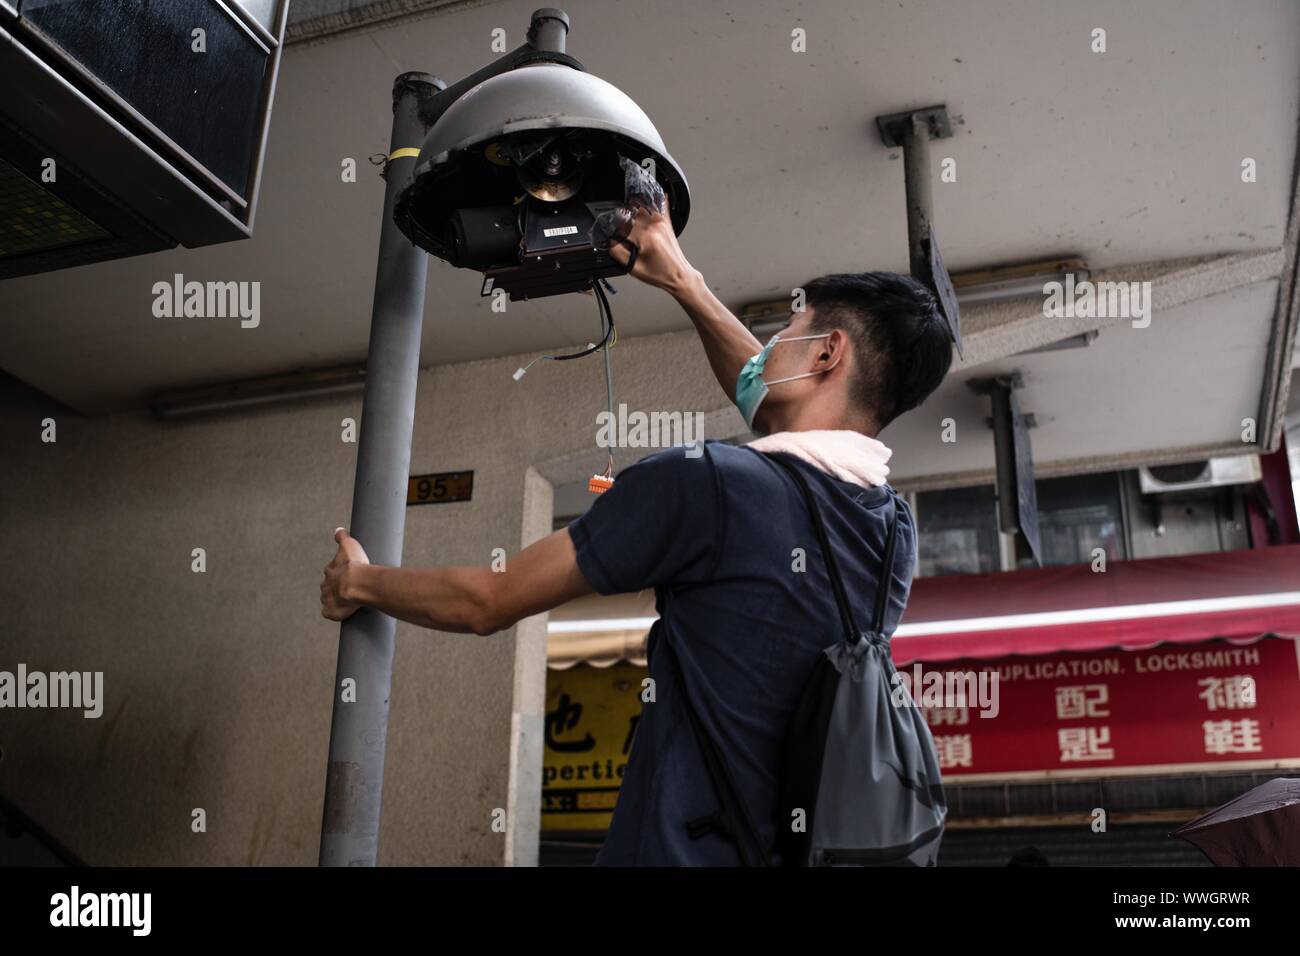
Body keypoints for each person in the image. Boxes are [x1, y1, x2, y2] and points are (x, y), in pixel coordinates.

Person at [319, 197, 954, 865]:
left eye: (785, 330)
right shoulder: (891, 532)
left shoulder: (709, 484)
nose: (766, 346)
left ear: (827, 352)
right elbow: (775, 414)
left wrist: (362, 582)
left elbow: (487, 602)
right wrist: (682, 277)